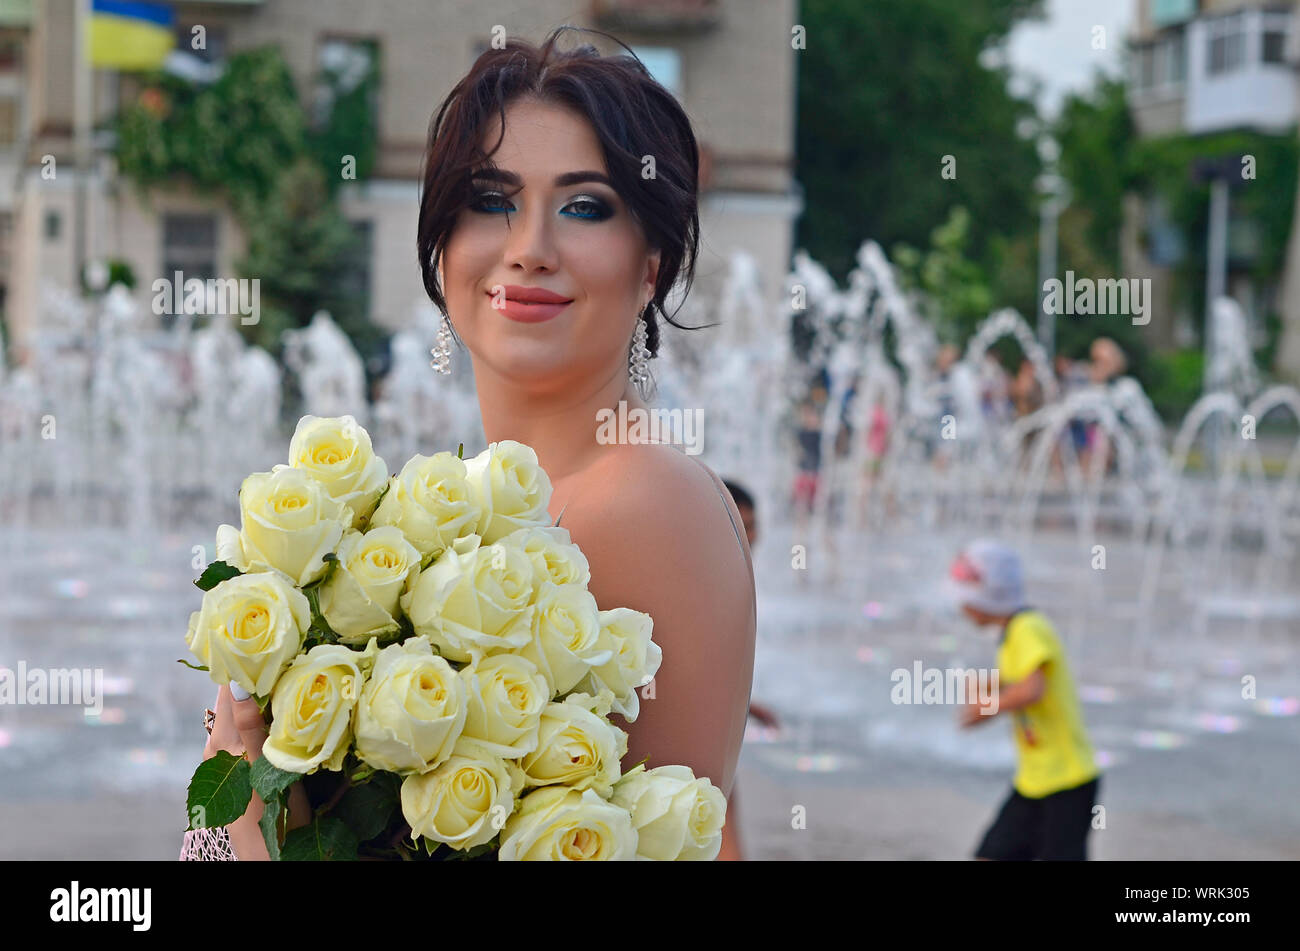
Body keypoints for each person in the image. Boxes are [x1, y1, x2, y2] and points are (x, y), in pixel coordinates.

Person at [195, 28, 757, 861]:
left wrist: (258, 784)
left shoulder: (639, 496)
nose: (530, 247)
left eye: (584, 205)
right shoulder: (474, 504)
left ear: (651, 264)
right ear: (442, 243)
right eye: (492, 199)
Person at [945, 539, 1100, 861]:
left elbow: (1032, 690)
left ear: (988, 595)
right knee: (992, 855)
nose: (960, 607)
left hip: (1067, 781)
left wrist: (985, 708)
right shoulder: (1013, 633)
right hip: (1034, 780)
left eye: (964, 597)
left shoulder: (1028, 629)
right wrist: (983, 685)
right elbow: (1018, 680)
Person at [715, 480, 780, 861]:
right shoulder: (706, 578)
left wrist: (749, 707)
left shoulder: (731, 573)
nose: (752, 535)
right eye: (743, 523)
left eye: (755, 525)